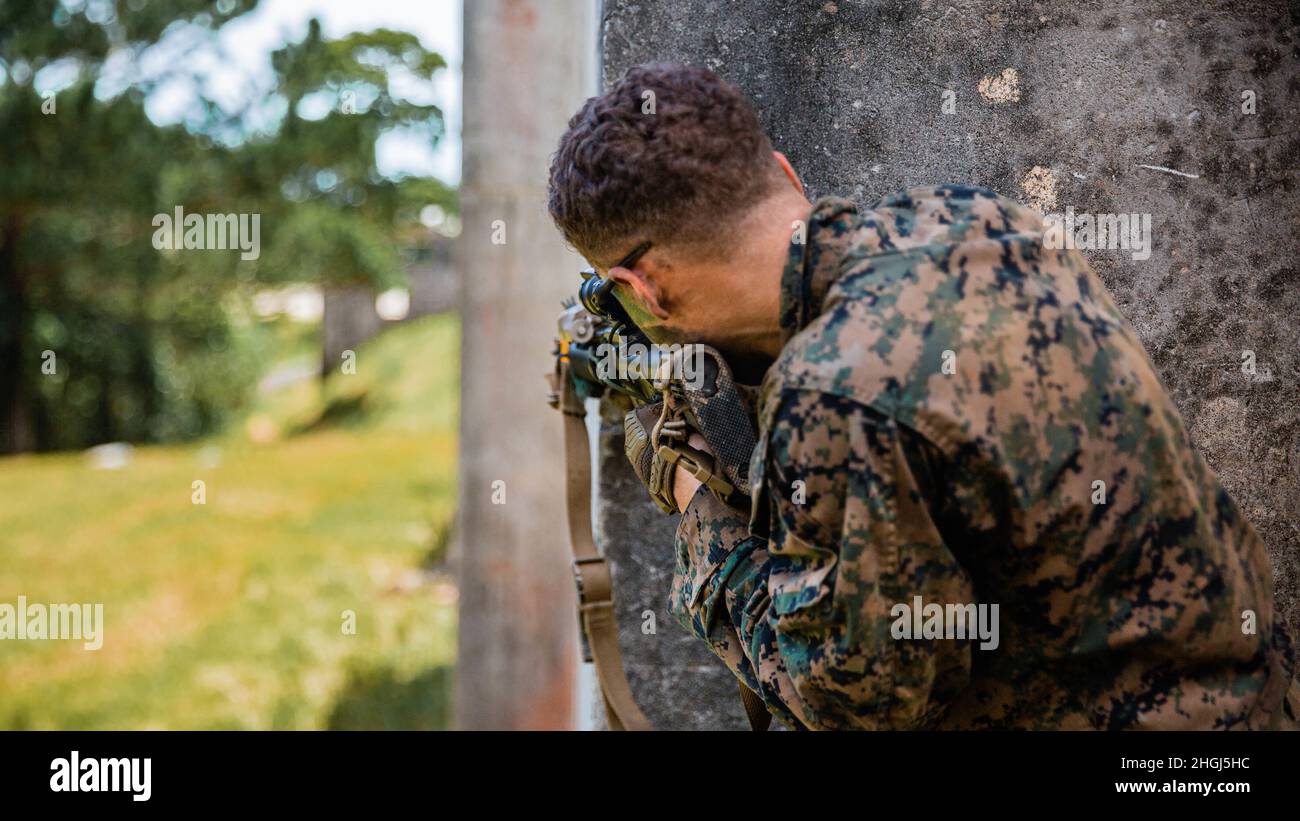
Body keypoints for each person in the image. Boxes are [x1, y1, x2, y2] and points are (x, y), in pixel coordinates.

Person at [546, 62, 1297, 729]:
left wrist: (695, 505)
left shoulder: (831, 399)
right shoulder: (983, 222)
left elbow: (858, 706)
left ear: (641, 287)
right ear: (782, 172)